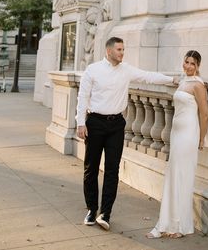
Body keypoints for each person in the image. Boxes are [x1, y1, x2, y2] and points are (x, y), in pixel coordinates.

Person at [76, 36, 180, 231]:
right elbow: (83, 97)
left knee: (112, 169)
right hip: (95, 123)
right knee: (91, 169)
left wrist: (172, 80)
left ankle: (105, 212)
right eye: (119, 50)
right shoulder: (93, 70)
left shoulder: (126, 70)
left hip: (116, 124)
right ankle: (91, 209)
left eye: (123, 50)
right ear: (108, 51)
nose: (122, 53)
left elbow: (148, 76)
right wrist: (80, 123)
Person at [147, 49, 208, 239]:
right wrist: (173, 79)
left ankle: (179, 225)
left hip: (189, 134)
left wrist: (201, 139)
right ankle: (171, 223)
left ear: (198, 66)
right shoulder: (183, 81)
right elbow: (175, 81)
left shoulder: (198, 85)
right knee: (173, 176)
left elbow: (205, 113)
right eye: (186, 62)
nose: (188, 66)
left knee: (182, 176)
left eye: (192, 63)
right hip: (176, 133)